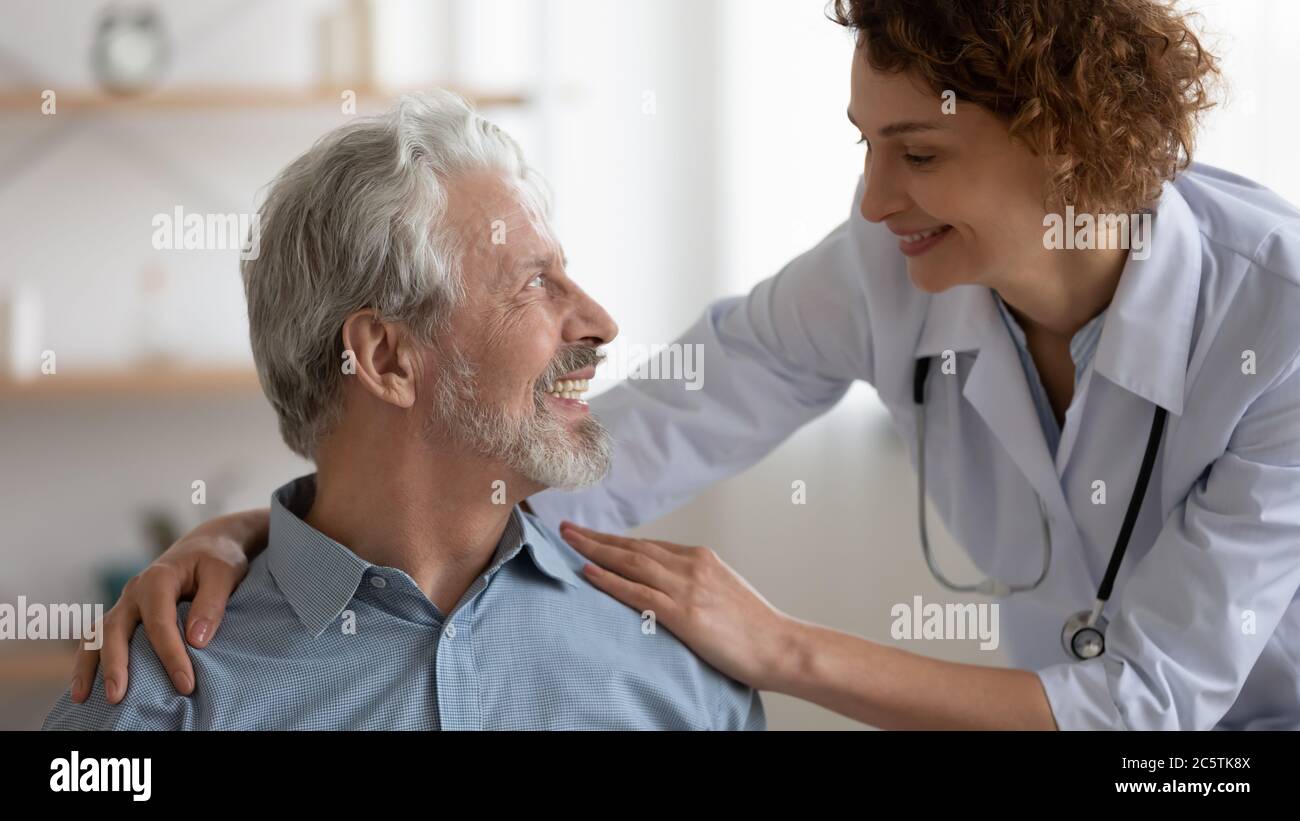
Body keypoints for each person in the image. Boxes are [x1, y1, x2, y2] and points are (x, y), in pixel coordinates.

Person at [75, 0, 1300, 730]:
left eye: (917, 153)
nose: (873, 198)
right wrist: (280, 534)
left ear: (1065, 146)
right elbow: (615, 445)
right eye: (865, 146)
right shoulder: (161, 695)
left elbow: (1145, 714)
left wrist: (783, 649)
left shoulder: (1277, 320)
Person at [44, 91, 764, 730]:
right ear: (385, 359)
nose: (601, 323)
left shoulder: (683, 670)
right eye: (535, 283)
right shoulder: (145, 705)